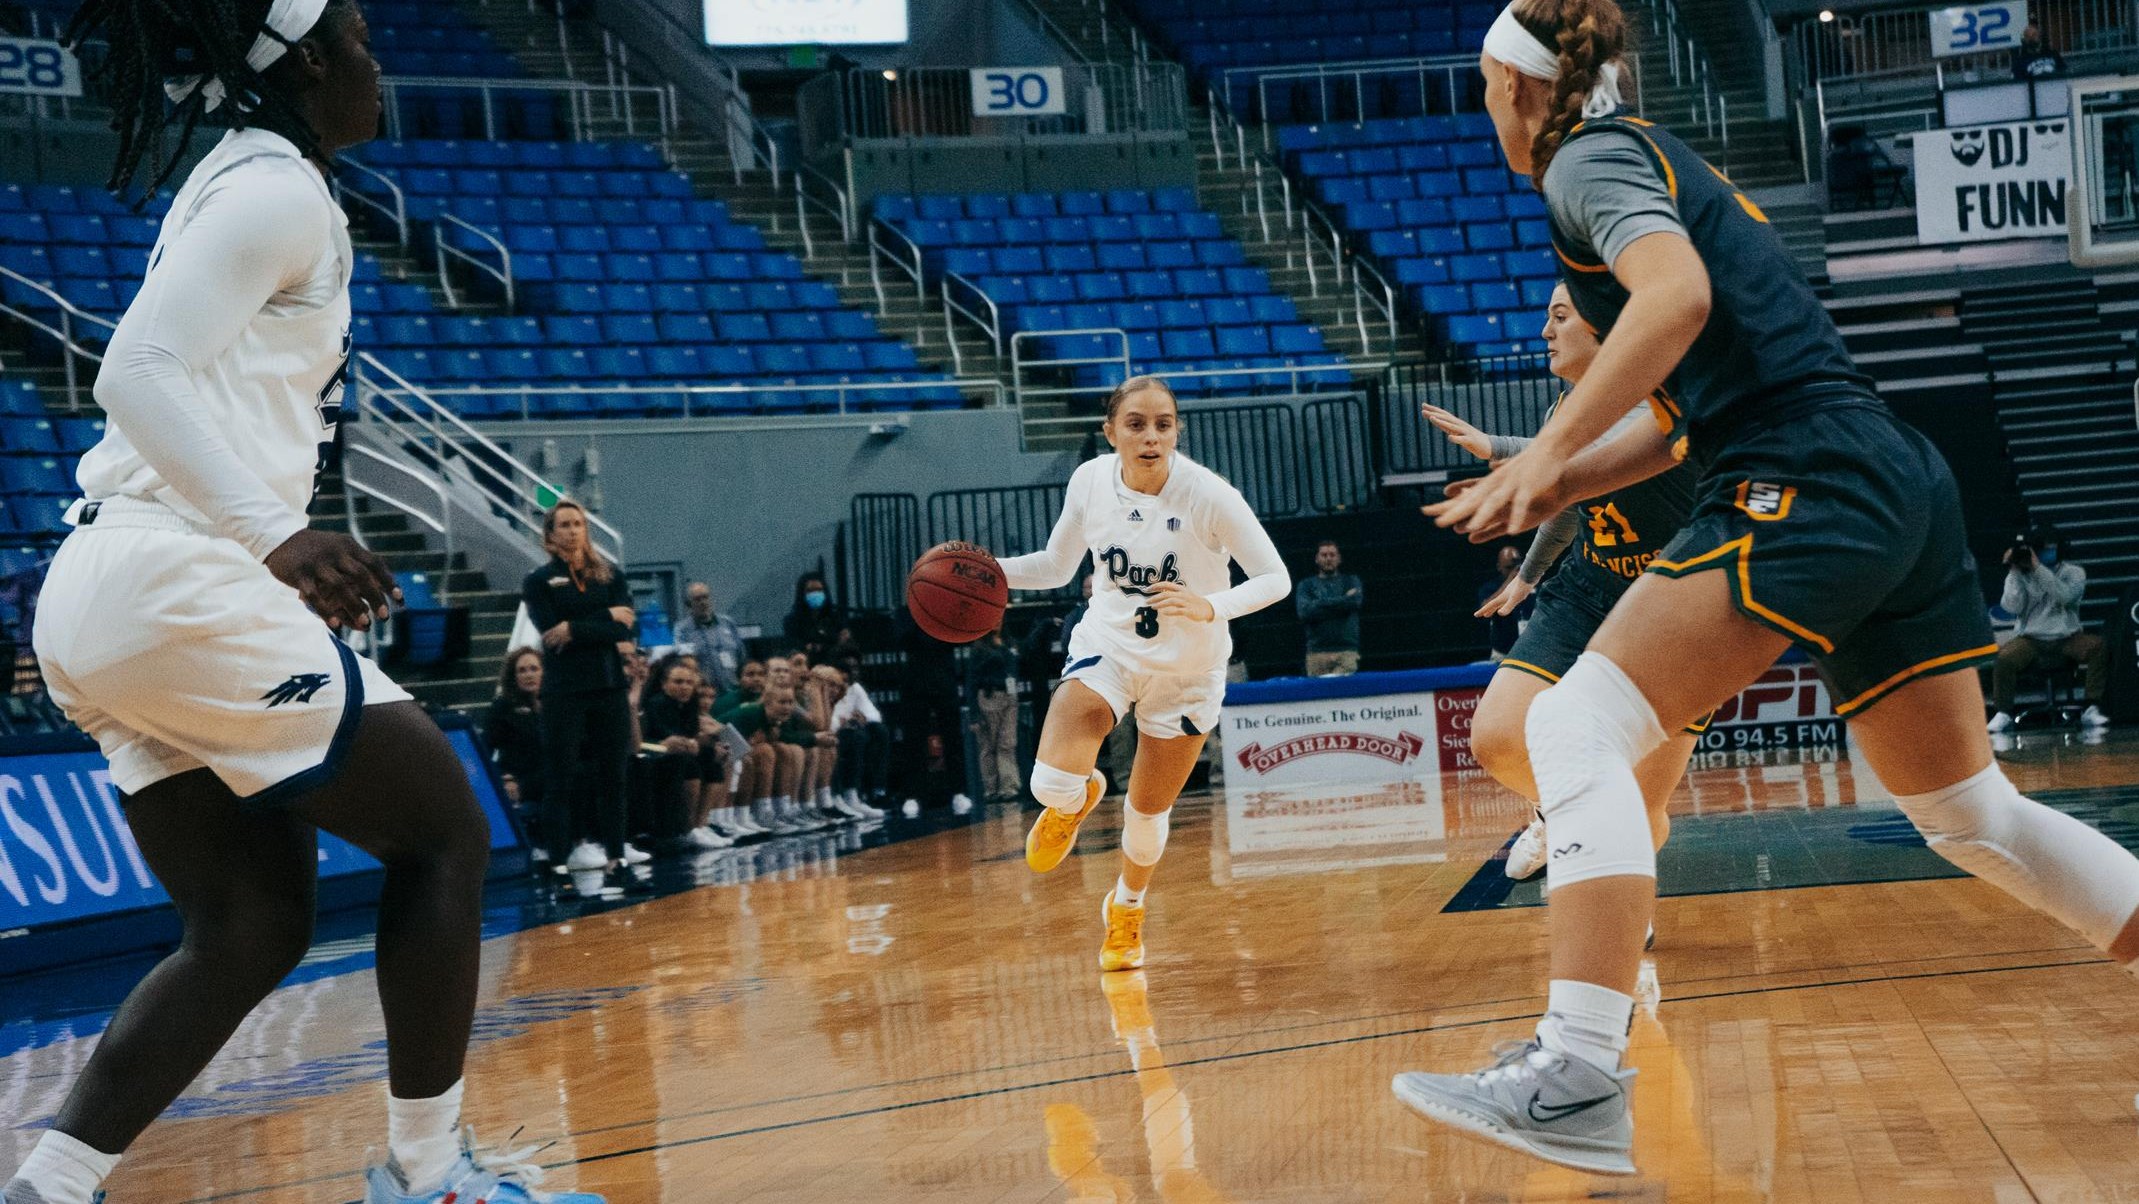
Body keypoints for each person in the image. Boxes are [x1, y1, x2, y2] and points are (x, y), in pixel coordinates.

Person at [1395, 0, 2139, 1176]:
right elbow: (1685, 411)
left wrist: (1549, 450)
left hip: (1806, 469)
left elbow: (1675, 299)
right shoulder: (1652, 156)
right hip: (1884, 469)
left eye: (1483, 86)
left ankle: (1575, 1069)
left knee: (1573, 723)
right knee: (1973, 817)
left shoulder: (1586, 161)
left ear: (1517, 86)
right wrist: (1561, 478)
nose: (1482, 106)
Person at [7, 0, 602, 1198]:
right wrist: (276, 532)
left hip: (99, 594)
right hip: (177, 575)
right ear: (310, 59)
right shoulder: (274, 188)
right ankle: (429, 1175)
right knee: (444, 831)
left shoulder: (243, 176)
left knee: (250, 921)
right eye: (365, 42)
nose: (381, 67)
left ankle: (50, 1184)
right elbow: (135, 370)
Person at [995, 376, 1290, 971]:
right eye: (1136, 424)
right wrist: (986, 570)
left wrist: (1210, 606)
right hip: (1110, 647)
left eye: (1163, 424)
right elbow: (1055, 567)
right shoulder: (1089, 480)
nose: (1151, 436)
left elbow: (1275, 578)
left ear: (1177, 432)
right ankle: (1075, 801)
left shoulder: (1209, 495)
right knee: (1049, 784)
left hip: (1188, 670)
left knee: (1146, 816)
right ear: (1111, 432)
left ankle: (1126, 909)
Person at [1423, 283, 1702, 891]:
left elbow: (1593, 456)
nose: (1545, 332)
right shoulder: (1565, 409)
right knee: (1497, 738)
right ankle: (1563, 810)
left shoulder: (1663, 396)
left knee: (1643, 811)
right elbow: (1570, 504)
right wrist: (1527, 577)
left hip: (1675, 606)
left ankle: (1620, 910)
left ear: (1605, 325)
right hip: (1589, 589)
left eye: (1559, 316)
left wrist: (1499, 448)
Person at [524, 500, 642, 878]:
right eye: (564, 525)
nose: (573, 530)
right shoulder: (538, 581)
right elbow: (550, 633)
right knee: (560, 777)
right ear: (550, 534)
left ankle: (617, 857)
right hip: (564, 690)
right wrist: (604, 617)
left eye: (578, 523)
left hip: (608, 685)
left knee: (614, 777)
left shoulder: (610, 576)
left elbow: (623, 627)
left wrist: (573, 627)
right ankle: (558, 862)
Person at [1989, 525, 2110, 731]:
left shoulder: (2074, 573)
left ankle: (2091, 707)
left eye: (2052, 548)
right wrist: (2014, 572)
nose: (2049, 552)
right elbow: (2011, 606)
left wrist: (2037, 568)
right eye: (2044, 548)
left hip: (2067, 638)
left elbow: (2064, 596)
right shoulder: (2022, 573)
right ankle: (2003, 712)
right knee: (2005, 658)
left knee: (2098, 647)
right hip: (2030, 640)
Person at [640, 655, 732, 850]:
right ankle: (687, 827)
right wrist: (691, 742)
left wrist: (707, 743)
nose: (684, 687)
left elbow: (691, 735)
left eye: (689, 683)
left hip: (681, 751)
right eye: (678, 682)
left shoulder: (690, 706)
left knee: (714, 759)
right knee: (689, 765)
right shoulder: (656, 703)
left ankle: (701, 824)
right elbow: (666, 735)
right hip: (655, 754)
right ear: (664, 684)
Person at [485, 648, 545, 832]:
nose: (529, 675)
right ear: (514, 676)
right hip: (519, 779)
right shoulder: (503, 707)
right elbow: (484, 749)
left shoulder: (557, 706)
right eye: (522, 670)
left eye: (534, 669)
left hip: (551, 777)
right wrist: (503, 777)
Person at [966, 624, 1022, 801]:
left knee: (1007, 743)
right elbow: (971, 681)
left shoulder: (1009, 642)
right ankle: (991, 789)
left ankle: (1009, 787)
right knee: (988, 746)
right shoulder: (979, 648)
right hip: (988, 697)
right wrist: (974, 713)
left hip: (1009, 696)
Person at [829, 659, 891, 817]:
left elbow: (874, 715)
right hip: (833, 733)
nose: (841, 686)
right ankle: (846, 796)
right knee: (856, 737)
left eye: (845, 681)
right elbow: (827, 722)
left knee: (879, 731)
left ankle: (877, 791)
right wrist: (842, 722)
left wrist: (863, 718)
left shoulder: (855, 688)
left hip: (849, 731)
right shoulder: (823, 689)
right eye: (837, 682)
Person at [1295, 540, 1364, 675]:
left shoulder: (1351, 581)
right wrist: (1343, 599)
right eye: (1324, 555)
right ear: (1317, 558)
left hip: (1346, 651)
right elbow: (1305, 612)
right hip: (1316, 653)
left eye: (1332, 555)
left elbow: (1354, 602)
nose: (1328, 559)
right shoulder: (1306, 585)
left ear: (1339, 558)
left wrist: (1319, 603)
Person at [673, 580, 747, 693]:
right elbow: (683, 663)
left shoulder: (728, 623)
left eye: (705, 597)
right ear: (689, 604)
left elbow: (741, 656)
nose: (703, 602)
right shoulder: (682, 630)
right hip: (704, 694)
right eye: (697, 599)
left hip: (734, 690)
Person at [1476, 545, 1533, 658]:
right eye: (1509, 567)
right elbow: (1483, 611)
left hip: (1531, 650)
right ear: (1499, 567)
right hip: (1503, 652)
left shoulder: (1532, 584)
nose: (1515, 571)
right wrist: (1509, 582)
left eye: (1517, 565)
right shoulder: (1490, 587)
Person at [783, 572, 845, 663]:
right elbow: (794, 647)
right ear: (802, 594)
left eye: (819, 590)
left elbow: (841, 645)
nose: (815, 594)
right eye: (810, 591)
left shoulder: (836, 619)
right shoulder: (792, 621)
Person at [713, 657, 766, 722]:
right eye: (750, 674)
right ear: (738, 679)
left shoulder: (770, 700)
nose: (757, 679)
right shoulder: (724, 702)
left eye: (761, 674)